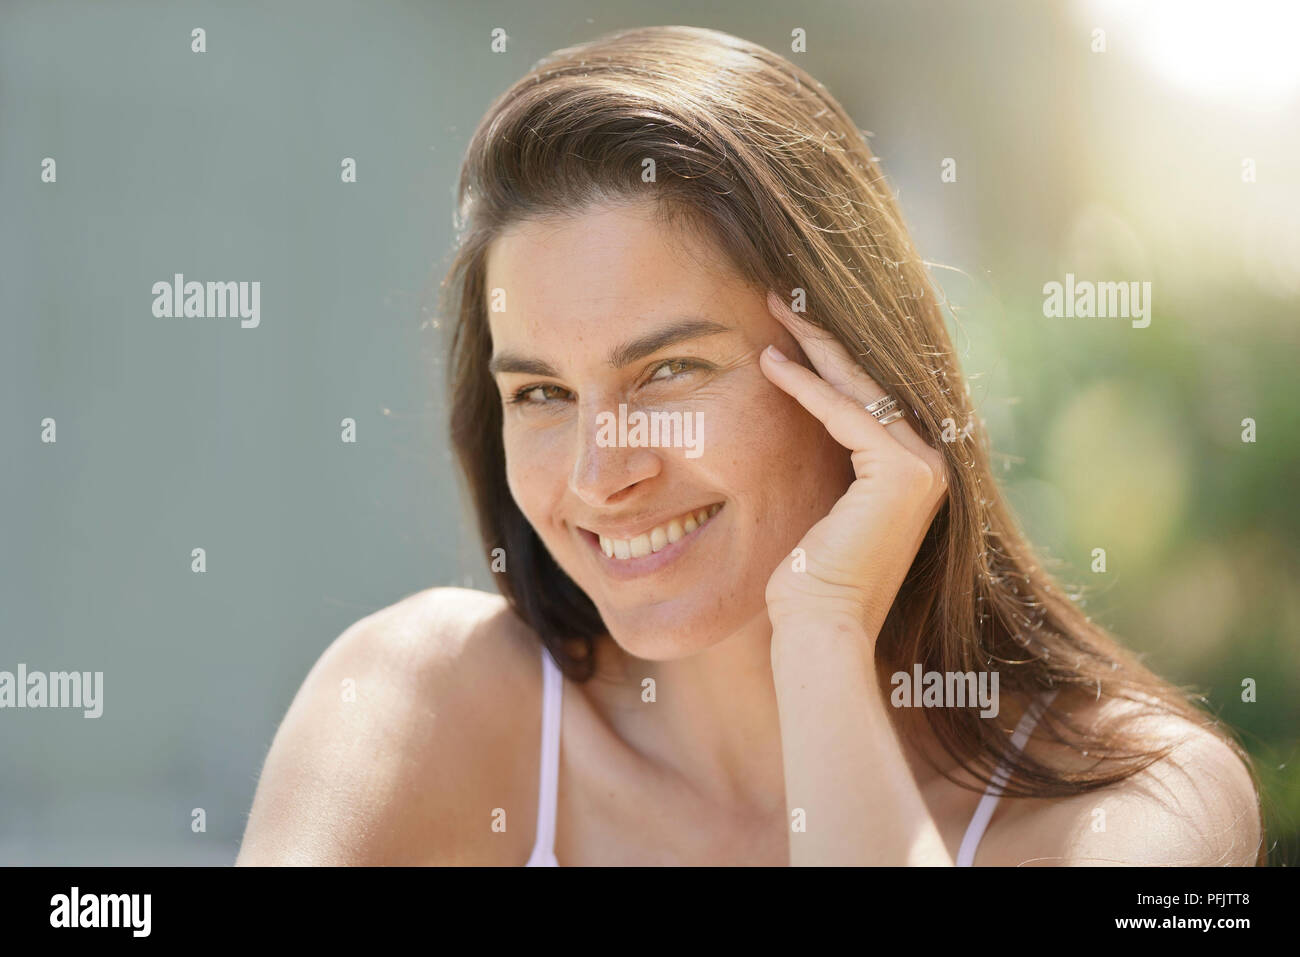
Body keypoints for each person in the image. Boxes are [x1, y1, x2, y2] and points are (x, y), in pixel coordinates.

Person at [236, 25, 1264, 866]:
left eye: (669, 373)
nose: (603, 474)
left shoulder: (1141, 807)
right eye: (543, 392)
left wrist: (822, 634)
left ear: (853, 366)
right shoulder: (422, 701)